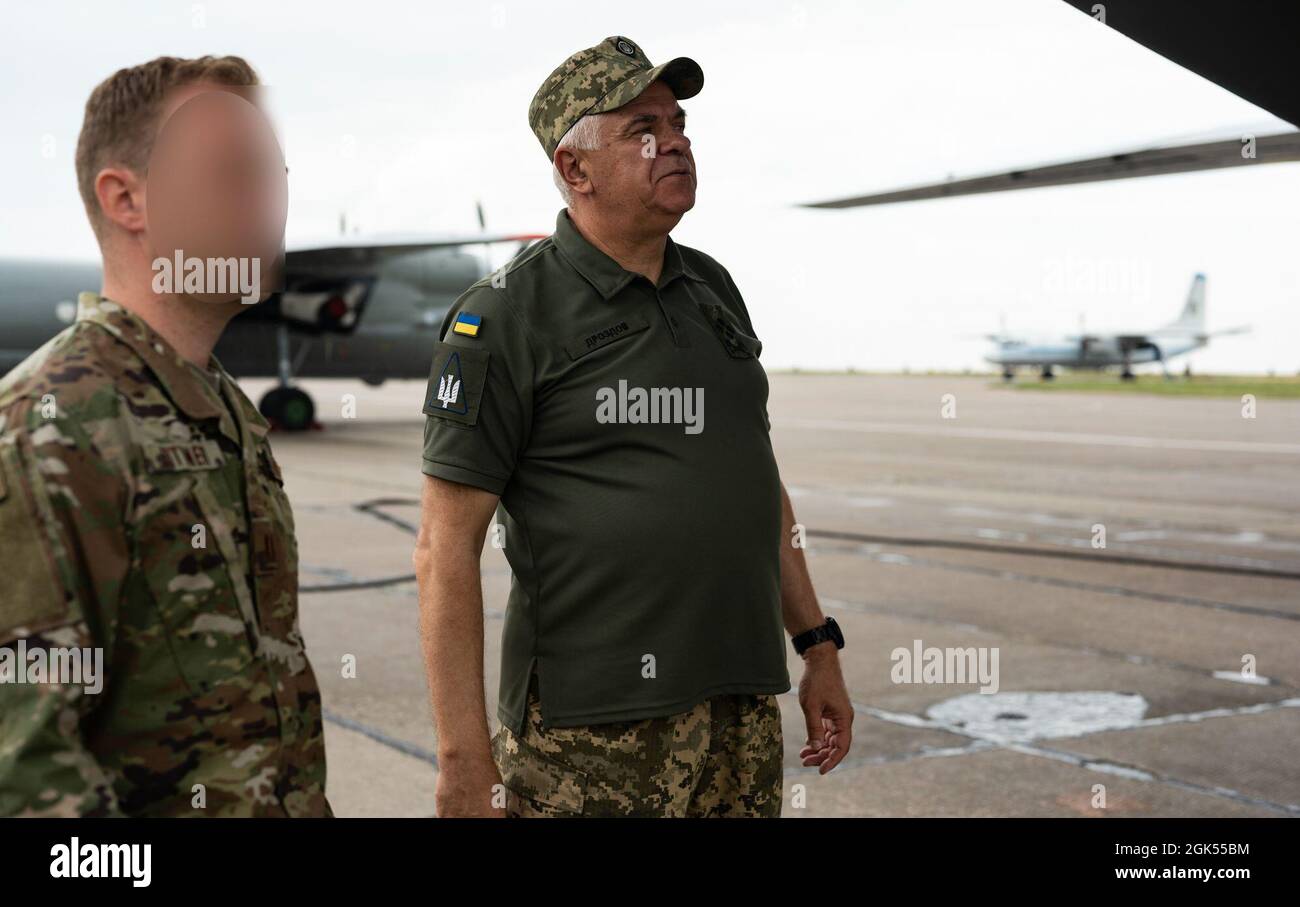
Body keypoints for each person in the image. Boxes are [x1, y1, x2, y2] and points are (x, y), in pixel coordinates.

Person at [414, 36, 853, 818]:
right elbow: (444, 549)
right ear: (575, 168)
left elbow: (754, 477)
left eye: (678, 124)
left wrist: (817, 644)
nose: (675, 142)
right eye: (642, 130)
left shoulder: (712, 288)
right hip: (588, 735)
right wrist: (464, 759)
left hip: (740, 712)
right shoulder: (505, 316)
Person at [0, 55, 330, 817]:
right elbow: (25, 775)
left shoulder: (224, 409)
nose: (270, 202)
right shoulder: (52, 428)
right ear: (127, 199)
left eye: (273, 174)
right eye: (233, 172)